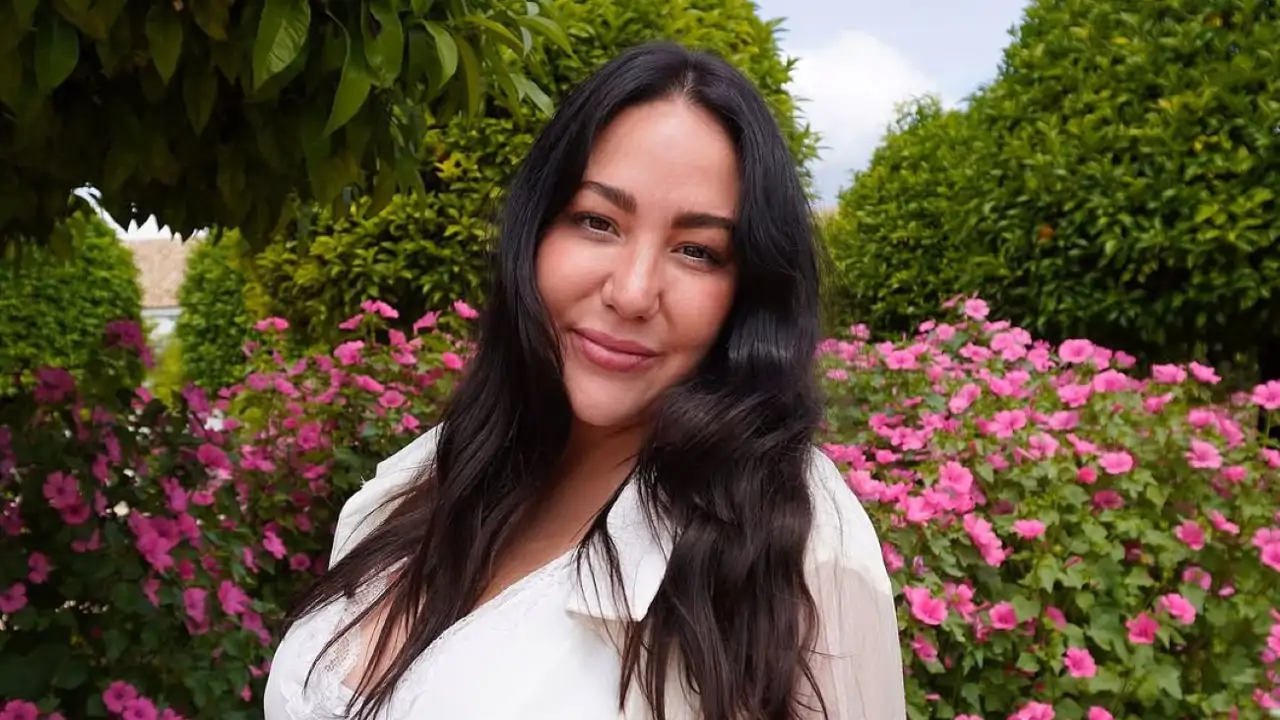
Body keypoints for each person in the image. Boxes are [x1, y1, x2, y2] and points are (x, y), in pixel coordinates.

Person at [263, 41, 905, 720]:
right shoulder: (418, 479)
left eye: (697, 251)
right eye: (597, 222)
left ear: (748, 291)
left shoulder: (799, 544)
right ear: (535, 234)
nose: (632, 293)